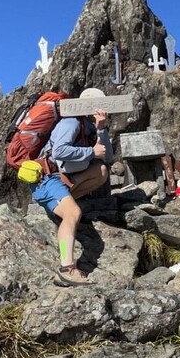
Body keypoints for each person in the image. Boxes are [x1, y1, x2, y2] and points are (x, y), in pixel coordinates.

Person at [31, 87, 112, 283]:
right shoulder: (70, 122)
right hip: (47, 178)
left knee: (101, 171)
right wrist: (91, 153)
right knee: (73, 214)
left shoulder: (88, 125)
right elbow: (59, 152)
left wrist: (101, 129)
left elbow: (106, 156)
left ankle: (62, 203)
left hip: (64, 178)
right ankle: (66, 269)